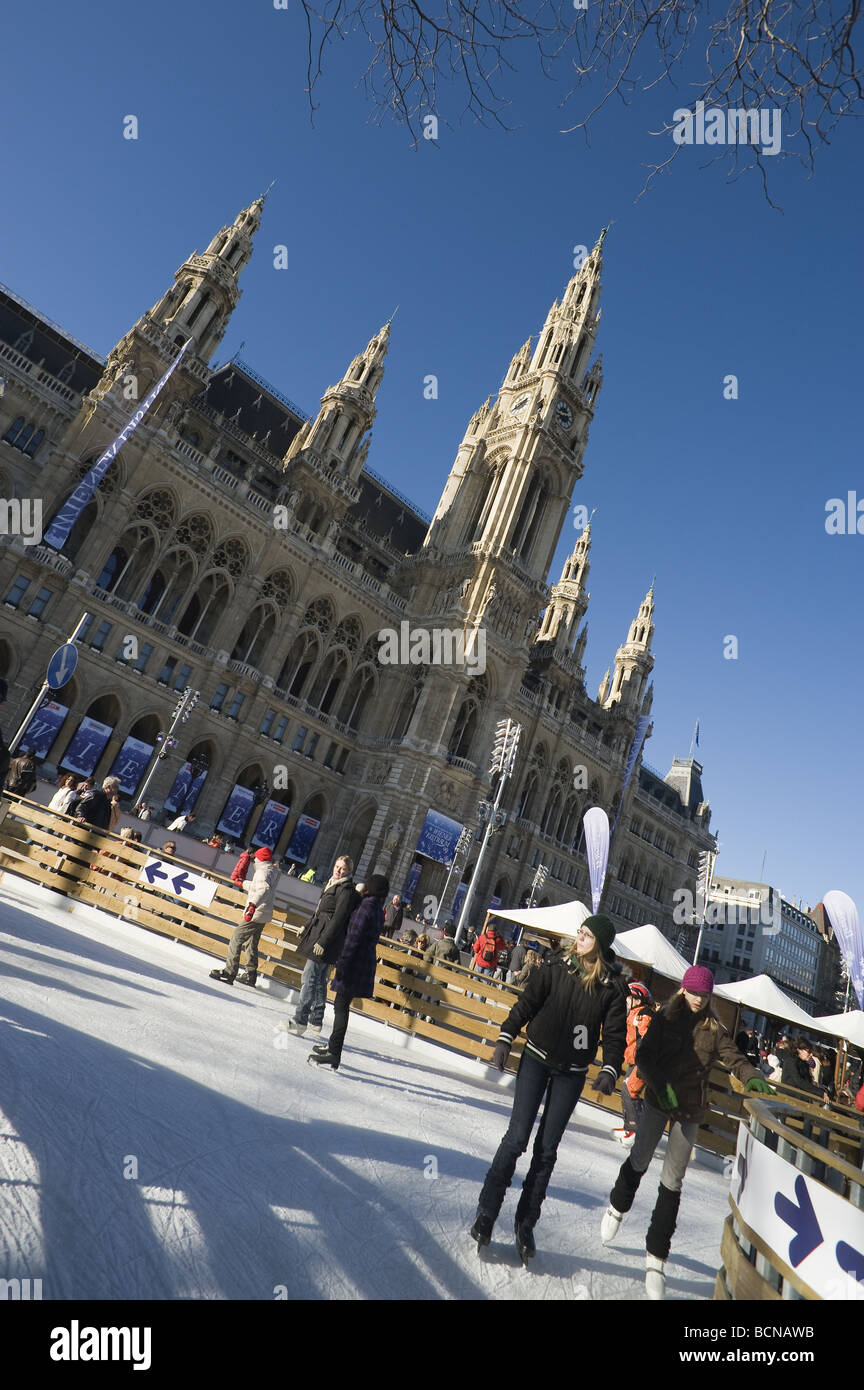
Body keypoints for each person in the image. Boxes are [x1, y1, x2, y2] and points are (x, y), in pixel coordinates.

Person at [600, 965, 775, 1299]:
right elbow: (645, 1057)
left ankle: (656, 1259)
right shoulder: (664, 1018)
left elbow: (734, 1058)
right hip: (657, 1100)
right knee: (639, 1159)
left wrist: (751, 1074)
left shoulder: (714, 1028)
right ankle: (617, 1207)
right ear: (683, 990)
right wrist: (660, 1085)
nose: (698, 999)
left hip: (690, 1110)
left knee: (672, 1182)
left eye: (704, 994)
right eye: (694, 992)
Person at [472, 915, 627, 1259]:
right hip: (536, 1058)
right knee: (516, 1139)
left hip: (571, 1073)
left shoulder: (612, 986)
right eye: (580, 932)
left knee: (547, 1150)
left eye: (587, 935)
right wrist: (504, 1037)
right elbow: (528, 1003)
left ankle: (525, 1224)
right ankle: (486, 1212)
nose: (580, 938)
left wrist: (610, 1069)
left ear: (599, 944)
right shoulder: (557, 966)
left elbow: (614, 1035)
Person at [308, 874, 389, 1070]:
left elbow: (353, 938)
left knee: (341, 1007)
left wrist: (342, 962)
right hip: (363, 962)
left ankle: (334, 1053)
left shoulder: (366, 908)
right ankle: (332, 1046)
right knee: (341, 1006)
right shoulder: (377, 908)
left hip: (354, 963)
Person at [284, 855, 356, 1036]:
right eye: (337, 866)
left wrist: (323, 942)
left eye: (343, 869)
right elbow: (319, 912)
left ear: (350, 872)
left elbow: (338, 919)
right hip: (319, 934)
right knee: (317, 979)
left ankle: (300, 1020)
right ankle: (316, 1019)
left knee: (309, 978)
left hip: (326, 940)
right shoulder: (331, 884)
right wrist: (306, 926)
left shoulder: (345, 890)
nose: (338, 870)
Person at [209, 847, 279, 987]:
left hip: (256, 913)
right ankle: (250, 974)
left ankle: (229, 972)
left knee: (236, 937)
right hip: (263, 913)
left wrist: (252, 905)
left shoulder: (262, 872)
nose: (254, 860)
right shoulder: (271, 871)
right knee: (251, 943)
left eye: (256, 858)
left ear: (260, 859)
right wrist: (242, 883)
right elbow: (257, 886)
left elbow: (263, 889)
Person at [611, 982, 656, 1148]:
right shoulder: (632, 1014)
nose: (625, 1001)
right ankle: (630, 1127)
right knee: (626, 1090)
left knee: (629, 1089)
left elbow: (648, 1039)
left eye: (629, 998)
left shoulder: (643, 1015)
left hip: (643, 1062)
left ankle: (637, 1131)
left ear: (637, 1000)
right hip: (634, 1060)